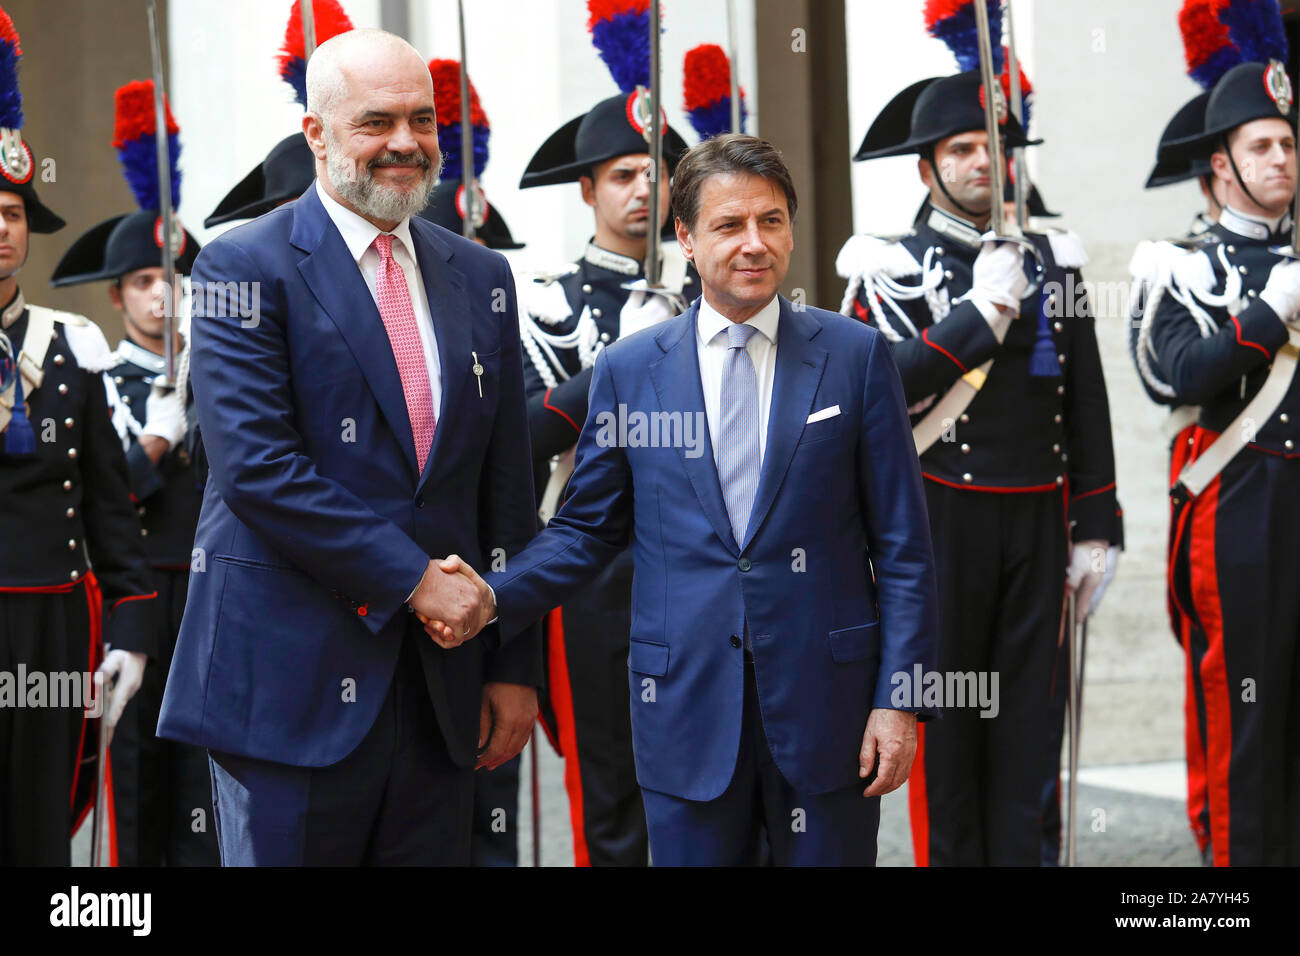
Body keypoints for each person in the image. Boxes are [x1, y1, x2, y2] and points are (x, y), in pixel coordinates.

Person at [428, 133, 941, 866]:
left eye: (771, 221)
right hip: (683, 710)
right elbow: (586, 531)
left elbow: (904, 549)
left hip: (829, 708)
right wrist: (492, 598)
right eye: (730, 225)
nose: (754, 244)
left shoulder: (853, 357)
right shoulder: (632, 369)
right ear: (687, 239)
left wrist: (901, 700)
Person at [156, 28, 538, 866]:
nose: (406, 143)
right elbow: (259, 470)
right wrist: (411, 581)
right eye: (376, 122)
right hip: (287, 685)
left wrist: (514, 662)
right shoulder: (238, 268)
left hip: (441, 690)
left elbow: (506, 482)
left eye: (422, 120)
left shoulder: (482, 277)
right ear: (316, 135)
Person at [837, 21, 1120, 864]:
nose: (979, 162)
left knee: (1030, 728)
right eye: (959, 149)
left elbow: (1086, 400)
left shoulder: (1052, 259)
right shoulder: (887, 266)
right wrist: (980, 316)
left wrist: (1096, 525)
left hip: (1039, 515)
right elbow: (877, 388)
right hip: (937, 523)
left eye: (989, 146)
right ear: (927, 168)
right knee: (948, 734)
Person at [511, 3, 694, 867]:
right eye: (622, 174)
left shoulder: (717, 297)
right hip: (596, 565)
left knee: (710, 776)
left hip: (702, 558)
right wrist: (618, 361)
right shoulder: (546, 304)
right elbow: (517, 437)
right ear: (588, 189)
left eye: (657, 170)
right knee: (611, 789)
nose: (643, 188)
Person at [0, 5, 159, 864]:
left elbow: (108, 505)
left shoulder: (70, 348)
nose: (1, 228)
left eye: (15, 214)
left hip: (55, 627)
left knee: (40, 830)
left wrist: (130, 626)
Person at [48, 79, 216, 866]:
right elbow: (88, 497)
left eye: (176, 278)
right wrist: (154, 443)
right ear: (118, 297)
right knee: (137, 777)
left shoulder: (223, 380)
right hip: (140, 594)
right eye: (146, 281)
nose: (163, 294)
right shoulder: (97, 380)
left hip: (216, 592)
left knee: (209, 781)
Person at [1147, 28, 1300, 865]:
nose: (1281, 158)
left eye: (1288, 142)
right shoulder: (1177, 263)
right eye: (1261, 146)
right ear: (1220, 166)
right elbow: (1176, 372)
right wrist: (1270, 313)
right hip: (1240, 507)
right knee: (1242, 717)